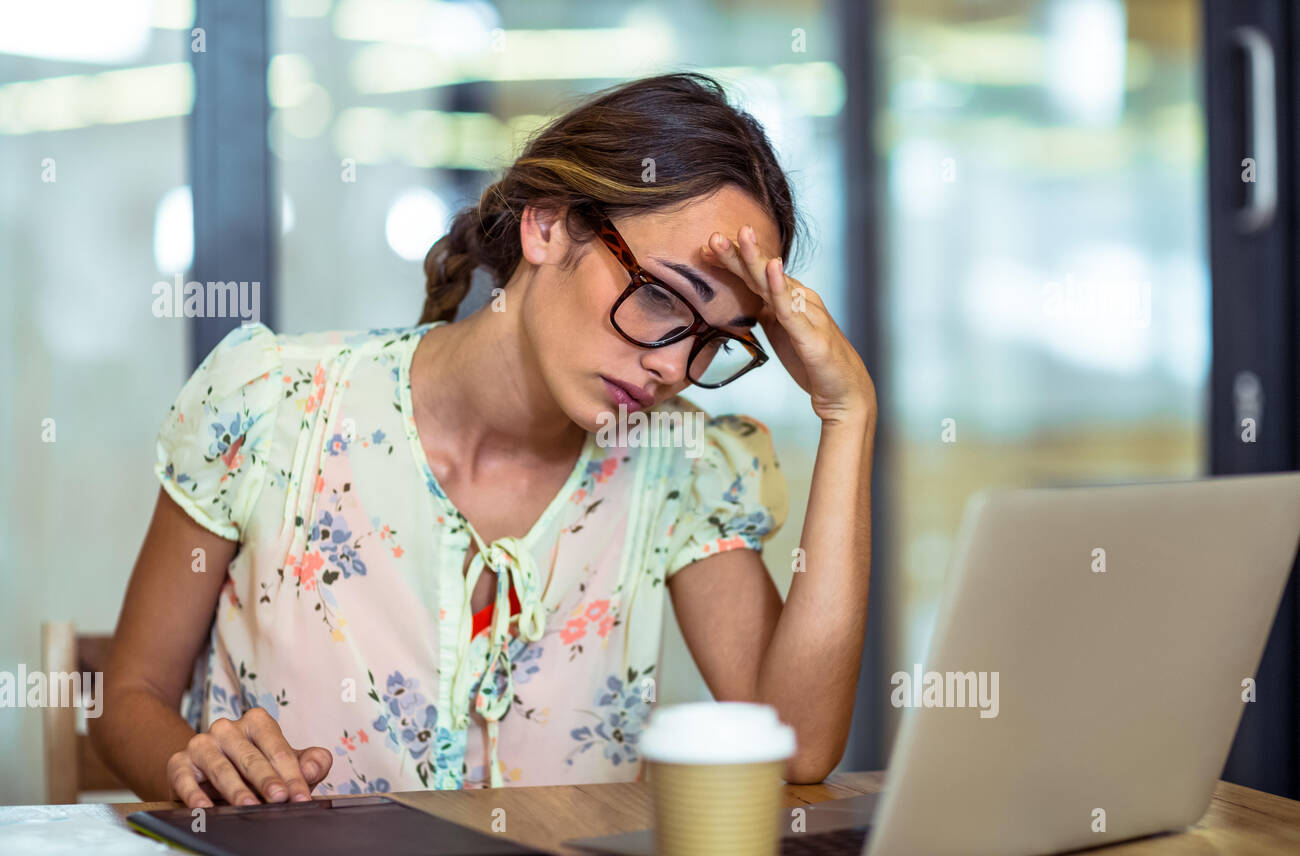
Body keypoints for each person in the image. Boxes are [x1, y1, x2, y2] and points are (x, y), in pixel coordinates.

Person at [92, 72, 877, 807]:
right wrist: (193, 759)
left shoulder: (680, 464)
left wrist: (848, 415)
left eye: (715, 340)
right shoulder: (273, 402)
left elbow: (798, 750)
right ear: (546, 226)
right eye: (662, 297)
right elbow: (131, 697)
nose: (674, 364)